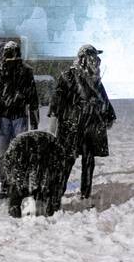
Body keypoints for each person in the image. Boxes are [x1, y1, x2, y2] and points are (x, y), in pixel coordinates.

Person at [49, 44, 116, 203]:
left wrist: (108, 114)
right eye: (92, 57)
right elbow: (58, 99)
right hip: (74, 125)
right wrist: (58, 114)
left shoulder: (93, 77)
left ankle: (83, 193)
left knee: (86, 159)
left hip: (86, 124)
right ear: (84, 58)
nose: (95, 61)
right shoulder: (69, 75)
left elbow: (102, 97)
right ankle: (59, 192)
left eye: (96, 58)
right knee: (69, 159)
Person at [0, 40, 40, 198]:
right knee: (12, 152)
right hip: (10, 117)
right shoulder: (1, 71)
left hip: (13, 117)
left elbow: (32, 96)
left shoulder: (19, 71)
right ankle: (10, 184)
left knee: (12, 152)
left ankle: (15, 184)